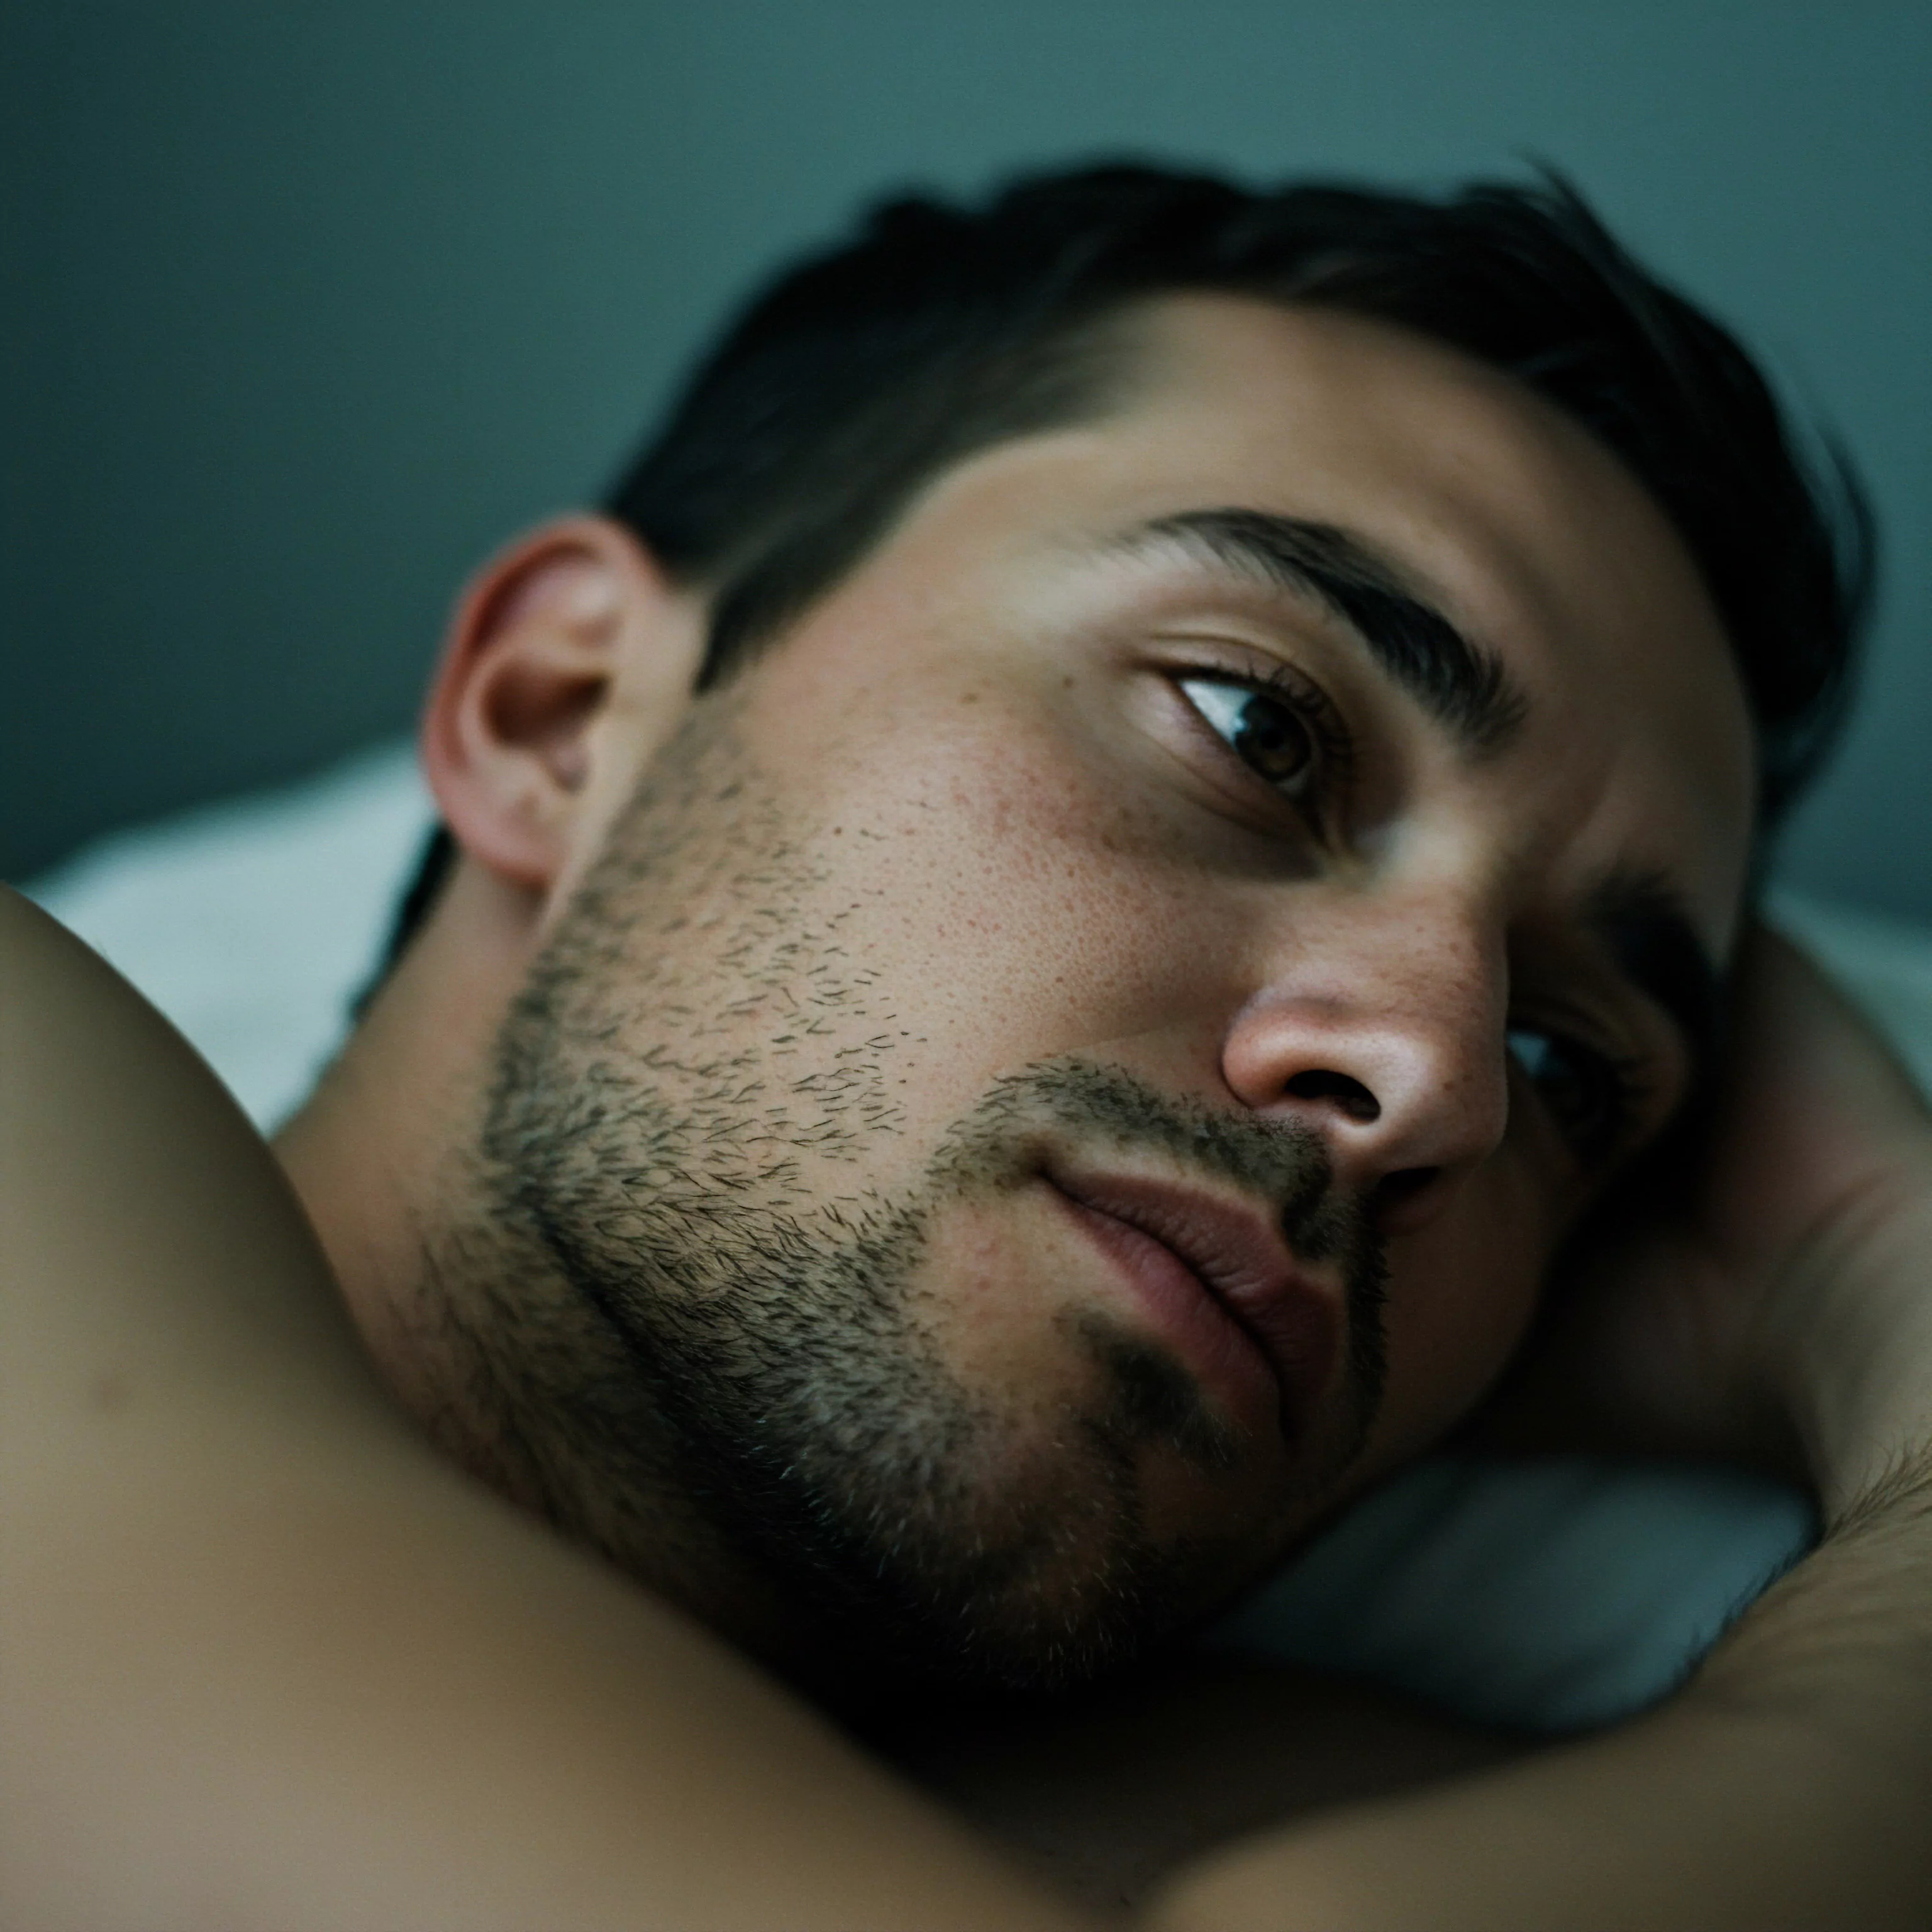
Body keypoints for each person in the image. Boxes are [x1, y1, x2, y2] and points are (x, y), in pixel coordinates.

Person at [7, 162, 1931, 1928]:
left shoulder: (1443, 1818)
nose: (1430, 1073)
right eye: (1260, 732)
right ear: (561, 711)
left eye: (1562, 1073)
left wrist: (1881, 1281)